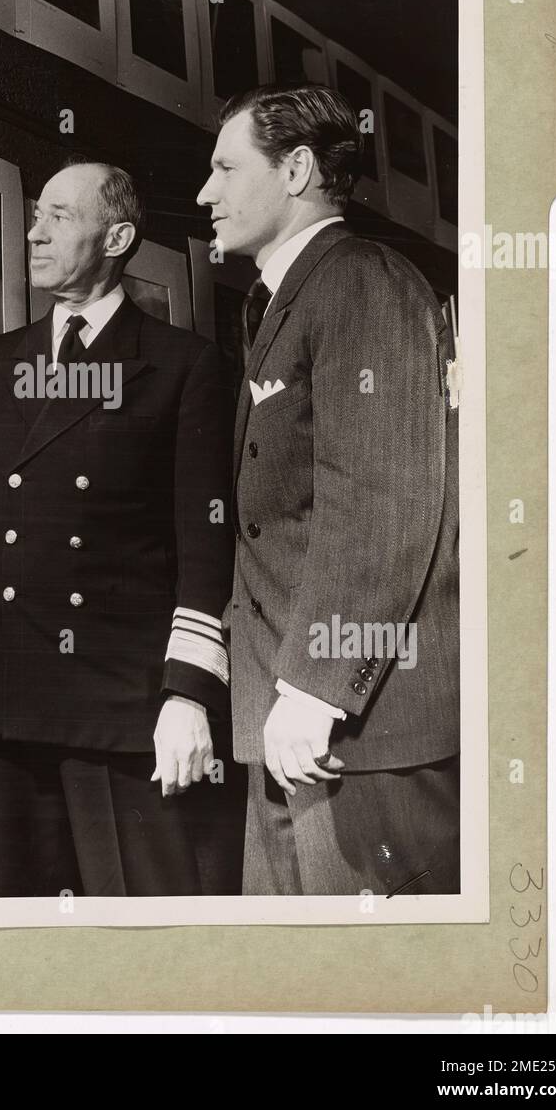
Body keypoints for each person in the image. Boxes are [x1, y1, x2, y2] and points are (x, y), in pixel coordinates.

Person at [0, 160, 242, 897]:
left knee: (142, 935)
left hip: (126, 709)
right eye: (36, 214)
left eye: (59, 217)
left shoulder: (182, 365)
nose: (33, 232)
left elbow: (205, 542)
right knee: (28, 929)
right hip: (12, 690)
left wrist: (188, 692)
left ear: (117, 236)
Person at [196, 84, 459, 896]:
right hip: (295, 723)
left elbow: (380, 498)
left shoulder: (360, 280)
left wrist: (314, 686)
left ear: (299, 168)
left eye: (226, 168)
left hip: (358, 727)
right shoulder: (285, 299)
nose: (206, 193)